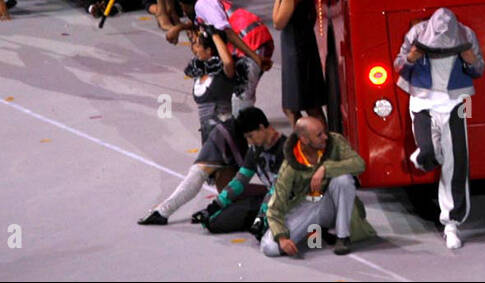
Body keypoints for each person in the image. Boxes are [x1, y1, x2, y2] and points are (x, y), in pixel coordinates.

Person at [393, 7, 484, 250]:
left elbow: (479, 70)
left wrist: (470, 60)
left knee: (457, 163)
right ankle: (424, 156)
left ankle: (451, 224)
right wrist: (411, 57)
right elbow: (399, 66)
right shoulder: (416, 34)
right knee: (429, 153)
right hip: (423, 102)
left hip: (457, 103)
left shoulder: (466, 35)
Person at [261, 116, 374, 258]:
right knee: (270, 247)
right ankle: (317, 231)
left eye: (324, 132)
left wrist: (326, 168)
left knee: (343, 180)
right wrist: (282, 238)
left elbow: (359, 164)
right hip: (309, 205)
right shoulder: (289, 167)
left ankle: (342, 236)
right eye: (319, 135)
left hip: (335, 203)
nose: (325, 137)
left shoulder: (336, 141)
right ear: (304, 140)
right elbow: (274, 208)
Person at [137, 105, 266, 226]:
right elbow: (245, 166)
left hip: (219, 162)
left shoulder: (230, 127)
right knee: (197, 180)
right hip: (213, 162)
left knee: (226, 189)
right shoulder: (232, 134)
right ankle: (162, 212)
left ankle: (162, 211)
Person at [167, 0, 274, 111]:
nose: (183, 11)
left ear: (188, 3)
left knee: (240, 96)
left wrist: (256, 58)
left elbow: (228, 32)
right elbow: (200, 24)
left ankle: (247, 125)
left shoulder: (202, 5)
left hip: (250, 40)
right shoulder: (205, 6)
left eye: (182, 6)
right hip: (251, 40)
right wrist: (179, 28)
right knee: (241, 93)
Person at [193, 108, 287, 235]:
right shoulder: (255, 150)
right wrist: (214, 207)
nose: (249, 142)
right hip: (268, 199)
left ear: (261, 127)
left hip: (286, 201)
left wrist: (262, 216)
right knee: (214, 222)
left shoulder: (286, 149)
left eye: (250, 136)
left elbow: (278, 188)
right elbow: (239, 181)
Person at [272, 0, 327, 124]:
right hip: (306, 42)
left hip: (294, 49)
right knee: (312, 104)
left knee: (292, 107)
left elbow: (278, 22)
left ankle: (308, 145)